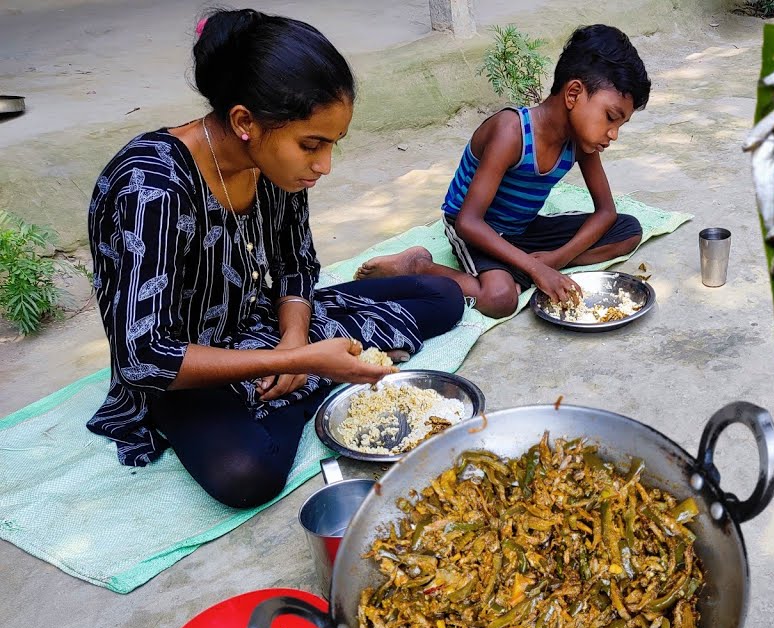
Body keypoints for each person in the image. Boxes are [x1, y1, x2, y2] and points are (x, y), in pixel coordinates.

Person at [86, 9, 464, 508]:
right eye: (312, 145)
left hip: (261, 325)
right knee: (246, 475)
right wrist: (298, 359)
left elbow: (296, 264)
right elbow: (143, 356)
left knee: (444, 295)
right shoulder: (151, 189)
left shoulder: (275, 167)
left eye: (332, 145)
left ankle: (300, 382)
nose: (324, 165)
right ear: (245, 122)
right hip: (182, 371)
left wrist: (293, 335)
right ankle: (308, 384)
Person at [355, 24, 650, 318]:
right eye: (610, 118)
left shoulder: (582, 143)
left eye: (619, 125)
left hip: (522, 228)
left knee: (628, 232)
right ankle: (418, 266)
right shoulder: (511, 132)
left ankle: (520, 266)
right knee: (499, 298)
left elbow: (606, 212)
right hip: (479, 227)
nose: (613, 134)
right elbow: (468, 222)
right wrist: (535, 267)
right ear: (573, 93)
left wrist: (555, 259)